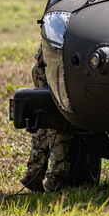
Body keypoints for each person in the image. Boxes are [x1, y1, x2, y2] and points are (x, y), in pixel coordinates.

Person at [20, 46, 73, 193]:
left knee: (43, 121)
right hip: (53, 70)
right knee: (57, 124)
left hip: (44, 67)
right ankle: (56, 177)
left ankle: (33, 174)